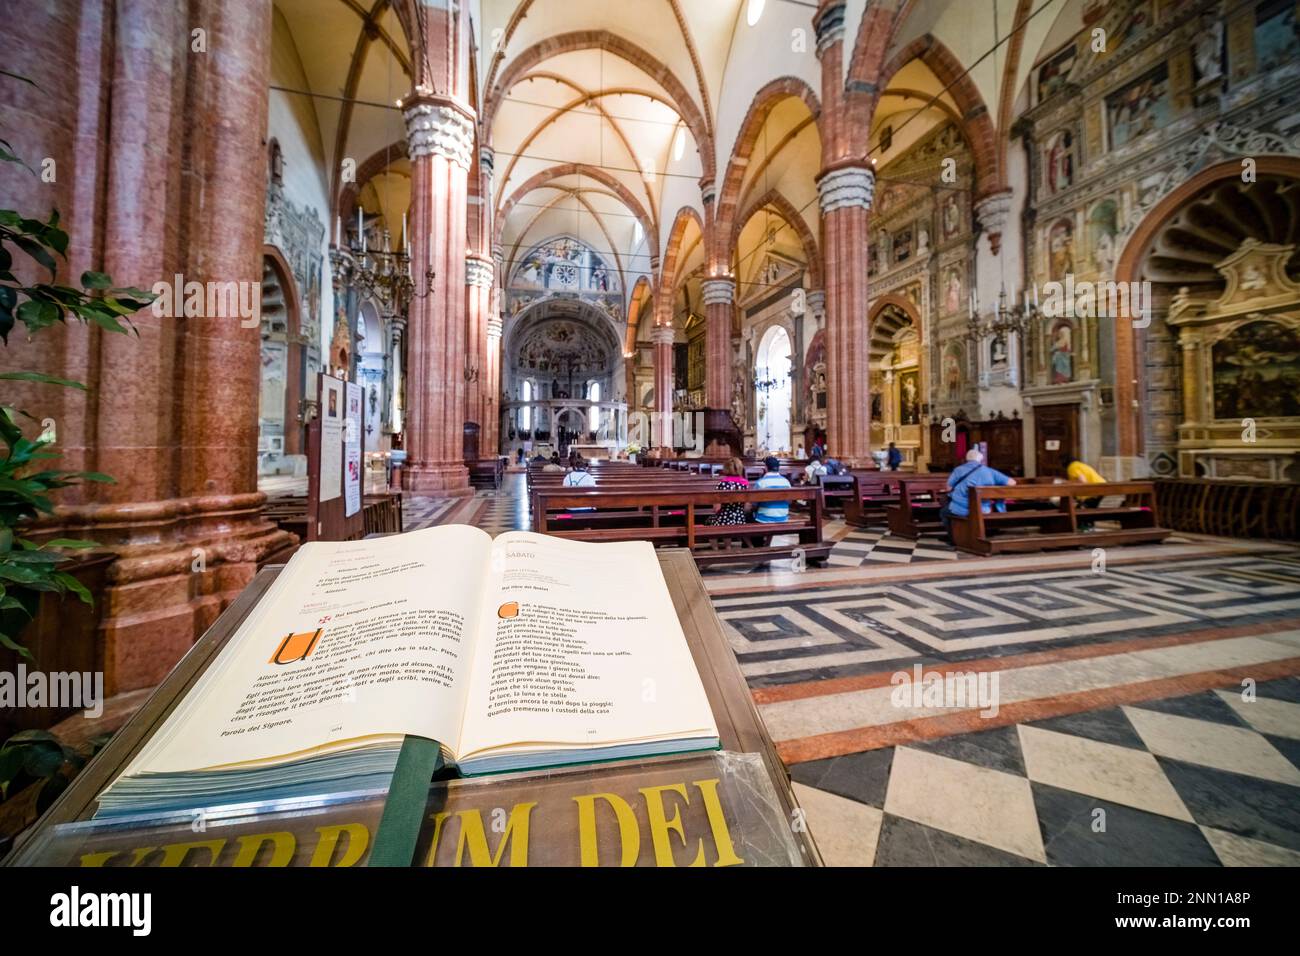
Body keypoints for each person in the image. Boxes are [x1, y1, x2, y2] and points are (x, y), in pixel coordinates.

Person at [940, 449, 1016, 543]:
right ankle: (981, 533)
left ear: (966, 459)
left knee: (944, 512)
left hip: (961, 509)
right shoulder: (989, 471)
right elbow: (1012, 483)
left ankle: (954, 538)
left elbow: (948, 488)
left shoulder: (958, 470)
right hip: (983, 509)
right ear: (980, 459)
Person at [1064, 457, 1106, 529]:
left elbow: (1083, 481)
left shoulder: (1071, 467)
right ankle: (1089, 525)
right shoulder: (1080, 465)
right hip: (1103, 487)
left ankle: (1086, 526)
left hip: (1094, 490)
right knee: (1090, 508)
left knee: (1084, 508)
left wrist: (1067, 483)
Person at [708, 457, 750, 526]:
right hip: (740, 520)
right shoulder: (745, 484)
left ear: (726, 468)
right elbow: (746, 507)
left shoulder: (722, 483)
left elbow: (716, 508)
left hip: (723, 520)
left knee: (708, 520)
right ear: (740, 468)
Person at [754, 456, 792, 523]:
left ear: (766, 468)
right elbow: (789, 501)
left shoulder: (761, 482)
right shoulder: (786, 482)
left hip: (764, 519)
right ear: (778, 468)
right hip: (783, 518)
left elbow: (754, 503)